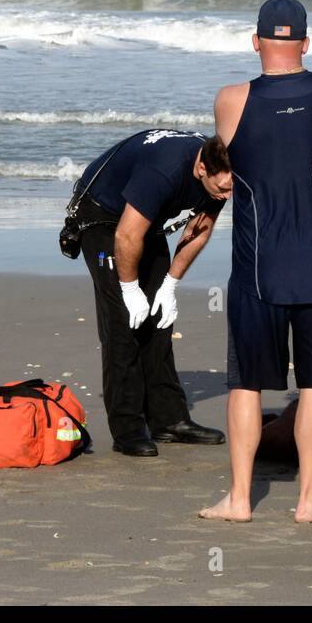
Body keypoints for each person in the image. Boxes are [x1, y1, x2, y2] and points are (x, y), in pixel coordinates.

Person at [202, 0, 312, 524]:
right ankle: (309, 500)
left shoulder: (230, 98)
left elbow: (224, 165)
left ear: (256, 42)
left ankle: (241, 499)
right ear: (306, 44)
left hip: (258, 265)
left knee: (245, 382)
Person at [73, 129, 232, 456]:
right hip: (103, 220)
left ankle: (168, 420)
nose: (227, 195)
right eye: (222, 188)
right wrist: (131, 290)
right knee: (122, 322)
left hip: (146, 218)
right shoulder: (164, 169)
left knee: (158, 319)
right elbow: (126, 237)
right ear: (202, 169)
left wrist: (170, 283)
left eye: (233, 188)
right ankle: (128, 428)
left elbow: (199, 228)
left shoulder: (224, 171)